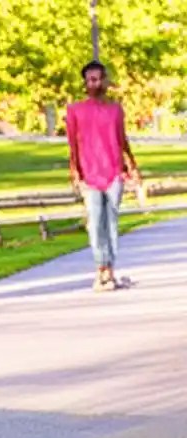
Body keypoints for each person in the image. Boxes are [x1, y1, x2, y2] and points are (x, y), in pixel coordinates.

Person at [66, 60, 140, 292]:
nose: (96, 84)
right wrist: (74, 171)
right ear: (85, 83)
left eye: (99, 79)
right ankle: (101, 268)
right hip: (89, 174)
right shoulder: (75, 110)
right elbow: (72, 144)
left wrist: (132, 165)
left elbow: (122, 138)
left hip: (113, 172)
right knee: (96, 223)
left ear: (106, 81)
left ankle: (110, 271)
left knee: (112, 223)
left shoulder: (116, 109)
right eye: (91, 80)